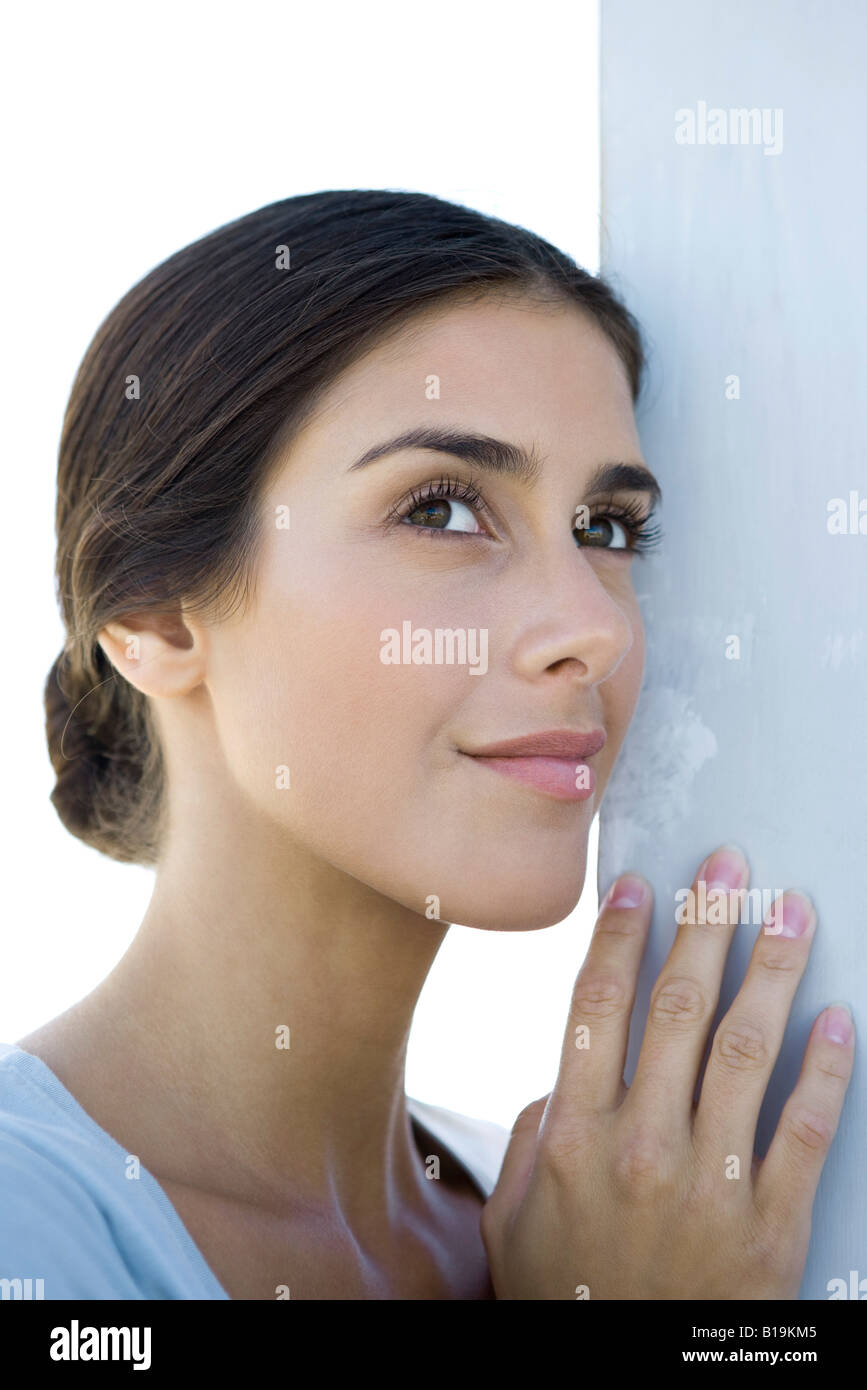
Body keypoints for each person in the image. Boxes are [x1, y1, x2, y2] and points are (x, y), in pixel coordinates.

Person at [0, 190, 853, 1299]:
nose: (595, 628)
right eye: (443, 509)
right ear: (157, 615)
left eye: (606, 529)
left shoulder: (593, 1221)